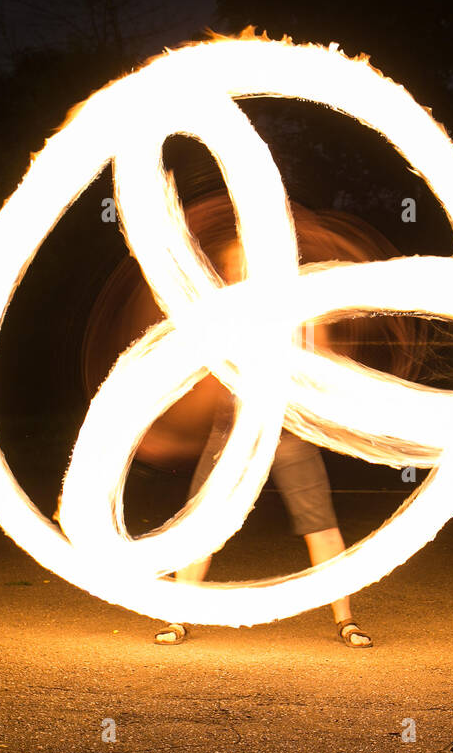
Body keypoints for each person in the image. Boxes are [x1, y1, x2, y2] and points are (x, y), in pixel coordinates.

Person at [155, 239, 372, 648]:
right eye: (234, 265)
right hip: (231, 433)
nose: (240, 272)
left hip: (286, 431)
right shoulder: (223, 315)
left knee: (320, 524)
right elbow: (206, 376)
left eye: (247, 263)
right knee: (200, 525)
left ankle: (346, 619)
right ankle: (177, 617)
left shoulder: (297, 309)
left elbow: (320, 364)